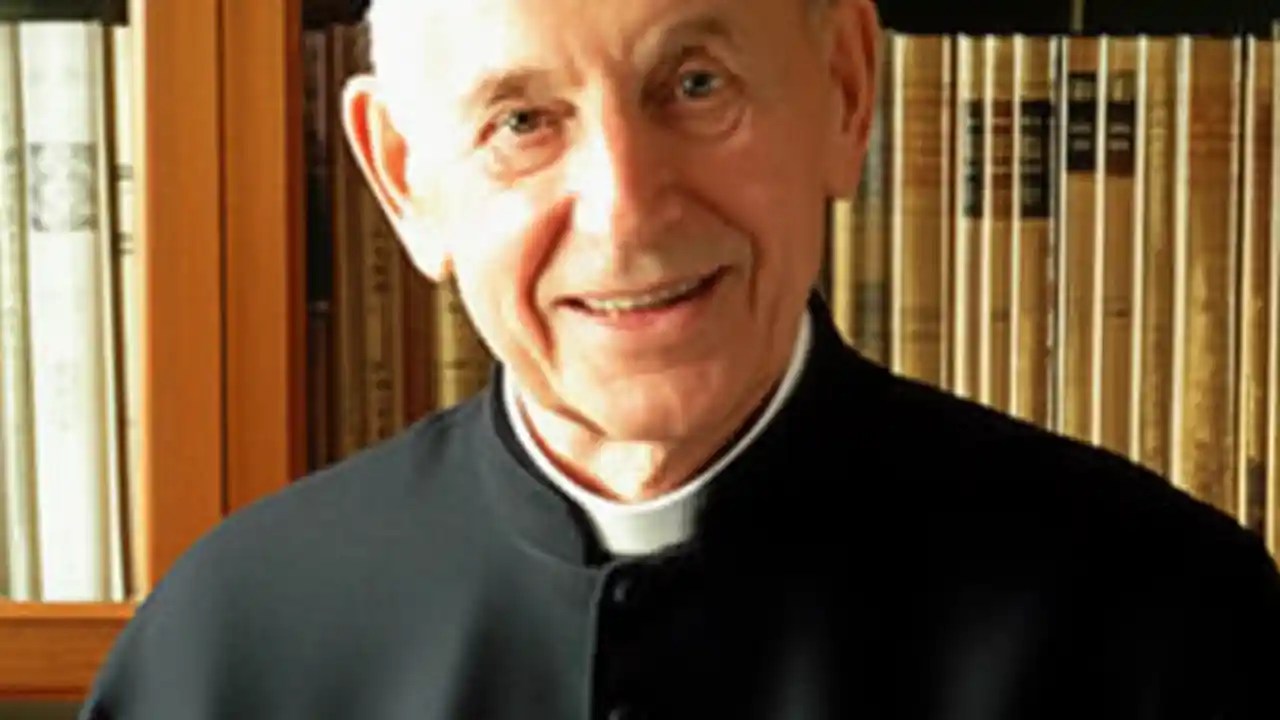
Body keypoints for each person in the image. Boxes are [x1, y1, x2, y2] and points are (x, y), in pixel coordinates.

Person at [80, 0, 1280, 717]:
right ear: (402, 178)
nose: (623, 210)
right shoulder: (229, 646)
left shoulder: (1166, 622)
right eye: (520, 121)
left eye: (694, 85)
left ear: (845, 89)